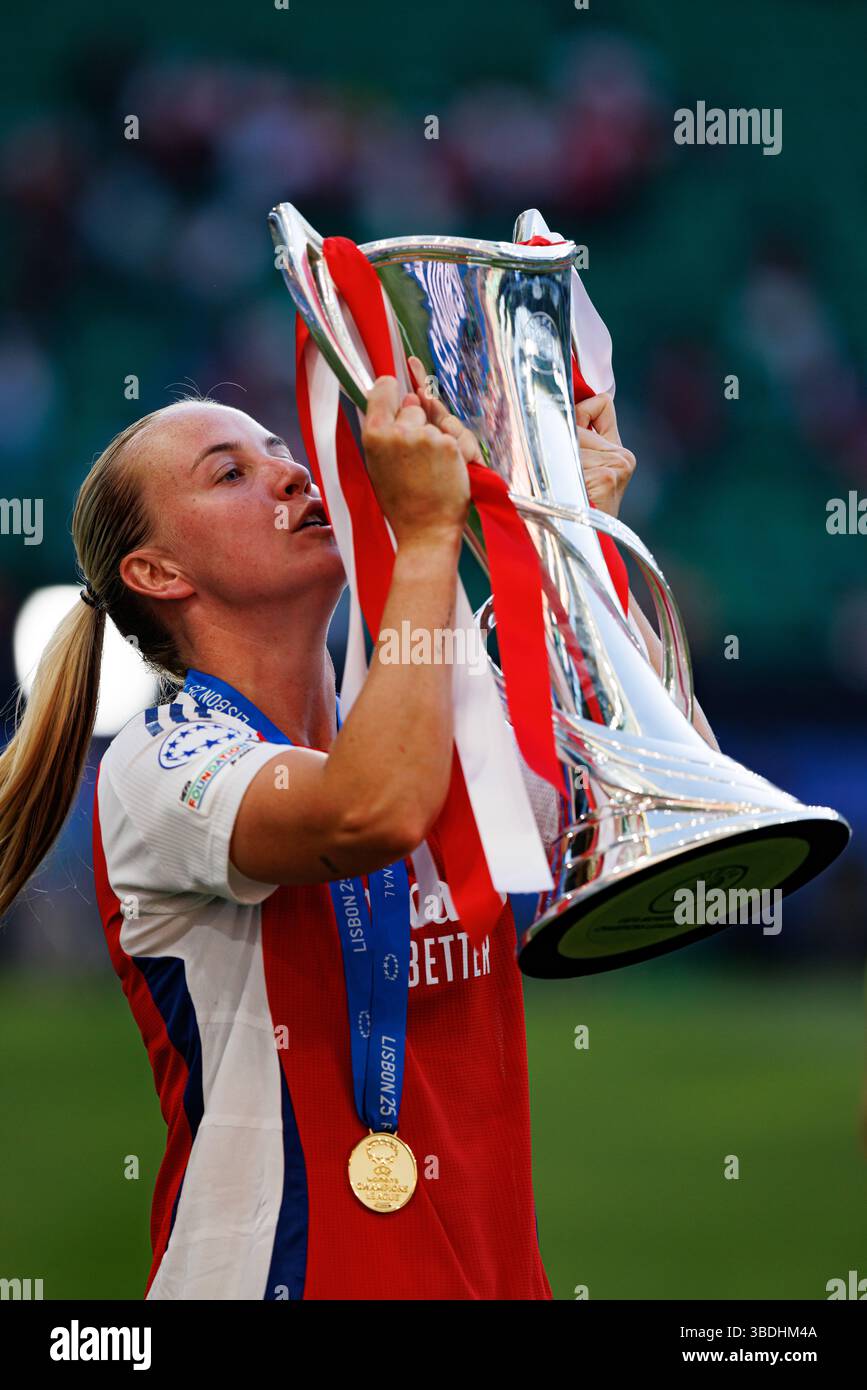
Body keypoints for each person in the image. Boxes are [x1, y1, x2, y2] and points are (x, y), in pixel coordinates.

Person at [0, 356, 715, 1299]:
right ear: (156, 572)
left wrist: (572, 541)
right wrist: (423, 541)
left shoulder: (444, 724)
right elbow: (367, 810)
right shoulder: (158, 760)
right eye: (230, 473)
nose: (291, 474)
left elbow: (663, 796)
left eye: (280, 453)